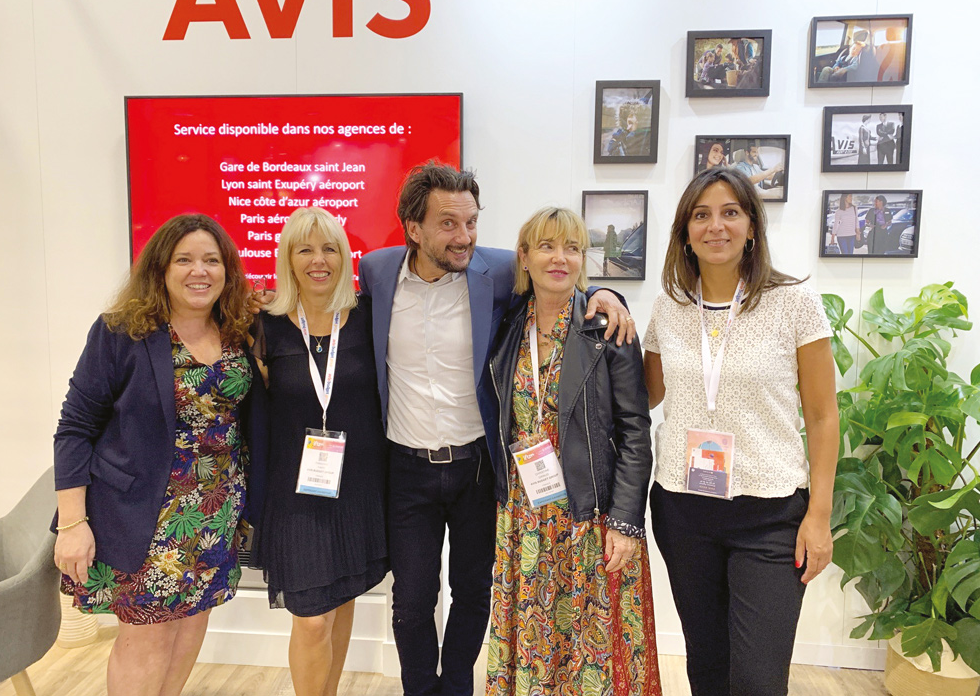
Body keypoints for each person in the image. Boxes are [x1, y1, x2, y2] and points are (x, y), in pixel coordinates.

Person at [357, 162, 635, 696]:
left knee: (472, 591)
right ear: (413, 228)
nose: (464, 237)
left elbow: (560, 270)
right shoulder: (377, 271)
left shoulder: (497, 271)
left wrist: (605, 293)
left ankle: (458, 684)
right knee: (412, 599)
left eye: (472, 222)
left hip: (479, 468)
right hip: (406, 469)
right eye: (448, 224)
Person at [642, 167, 838, 695]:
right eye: (701, 215)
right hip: (685, 510)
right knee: (707, 667)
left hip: (770, 514)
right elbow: (646, 394)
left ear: (752, 226)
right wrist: (605, 302)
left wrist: (819, 516)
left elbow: (823, 415)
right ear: (685, 232)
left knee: (756, 680)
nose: (716, 226)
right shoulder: (669, 307)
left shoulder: (794, 302)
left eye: (731, 212)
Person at [53, 214, 265, 696]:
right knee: (149, 636)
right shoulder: (121, 332)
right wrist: (72, 523)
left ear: (227, 270)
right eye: (185, 259)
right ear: (160, 269)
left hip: (216, 512)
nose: (200, 271)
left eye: (212, 260)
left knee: (191, 626)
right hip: (146, 517)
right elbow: (74, 428)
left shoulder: (239, 331)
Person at [486, 207, 662, 696]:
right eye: (546, 246)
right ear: (524, 257)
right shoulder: (505, 328)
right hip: (524, 519)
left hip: (591, 519)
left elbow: (634, 430)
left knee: (593, 657)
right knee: (536, 648)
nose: (559, 258)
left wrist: (626, 522)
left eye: (572, 248)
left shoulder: (607, 328)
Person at [251, 207, 388, 696]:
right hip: (295, 494)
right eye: (305, 248)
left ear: (345, 256)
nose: (318, 260)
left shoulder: (369, 317)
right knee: (311, 618)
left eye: (329, 247)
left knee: (343, 596)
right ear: (287, 258)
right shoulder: (263, 325)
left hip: (358, 488)